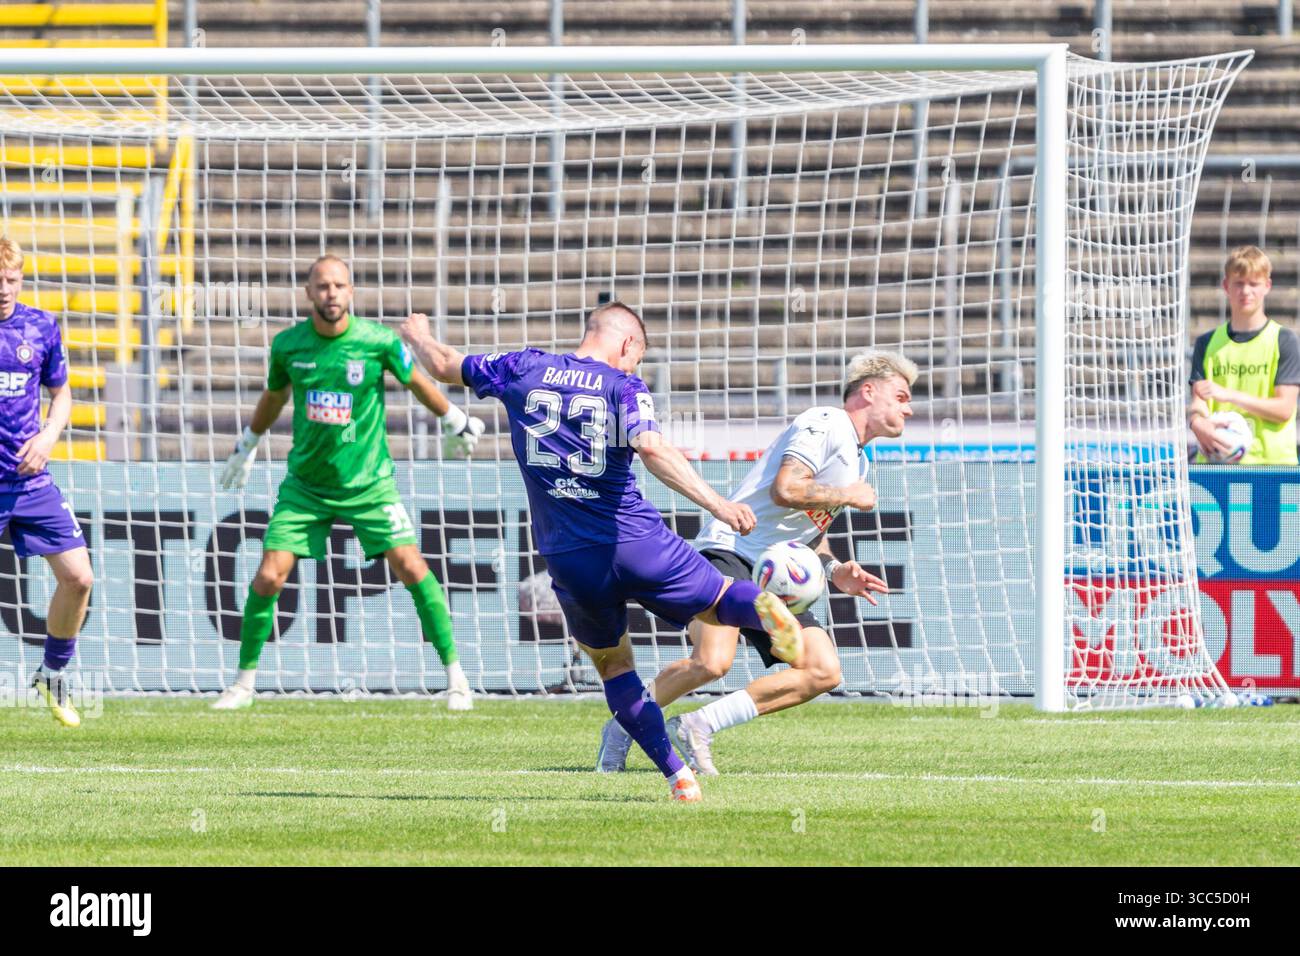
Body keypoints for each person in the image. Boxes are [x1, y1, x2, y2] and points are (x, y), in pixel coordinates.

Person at [399, 301, 805, 802]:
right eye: (638, 357)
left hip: (571, 557)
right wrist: (718, 503)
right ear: (628, 344)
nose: (636, 366)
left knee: (615, 667)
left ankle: (677, 776)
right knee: (723, 599)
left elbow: (441, 365)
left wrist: (418, 332)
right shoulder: (624, 386)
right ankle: (767, 615)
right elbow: (652, 448)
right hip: (635, 541)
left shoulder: (522, 367)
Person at [597, 349, 914, 774]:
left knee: (823, 671)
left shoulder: (859, 459)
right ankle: (623, 725)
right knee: (712, 661)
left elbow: (807, 535)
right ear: (868, 391)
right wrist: (848, 495)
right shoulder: (826, 423)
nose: (908, 408)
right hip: (732, 549)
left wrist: (836, 569)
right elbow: (786, 489)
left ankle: (698, 724)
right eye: (902, 396)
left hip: (772, 572)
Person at [212, 255, 483, 710]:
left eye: (339, 285)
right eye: (322, 286)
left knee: (413, 568)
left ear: (351, 292)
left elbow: (416, 379)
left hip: (369, 483)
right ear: (308, 293)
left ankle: (456, 679)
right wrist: (248, 443)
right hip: (306, 486)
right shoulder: (289, 346)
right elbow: (275, 395)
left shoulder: (376, 342)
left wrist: (454, 418)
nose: (331, 293)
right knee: (268, 575)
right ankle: (243, 683)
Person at [0, 237, 94, 728]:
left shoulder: (40, 326)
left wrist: (49, 436)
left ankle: (52, 674)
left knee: (79, 578)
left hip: (29, 479)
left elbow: (61, 393)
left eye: (11, 279)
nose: (3, 288)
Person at [1189, 245, 1300, 465]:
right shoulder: (1207, 343)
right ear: (1226, 286)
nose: (1246, 291)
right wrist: (1196, 422)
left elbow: (1284, 409)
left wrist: (1229, 394)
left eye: (1253, 283)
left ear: (1267, 286)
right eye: (1238, 283)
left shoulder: (1283, 340)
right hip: (1216, 466)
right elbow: (1198, 402)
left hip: (1271, 468)